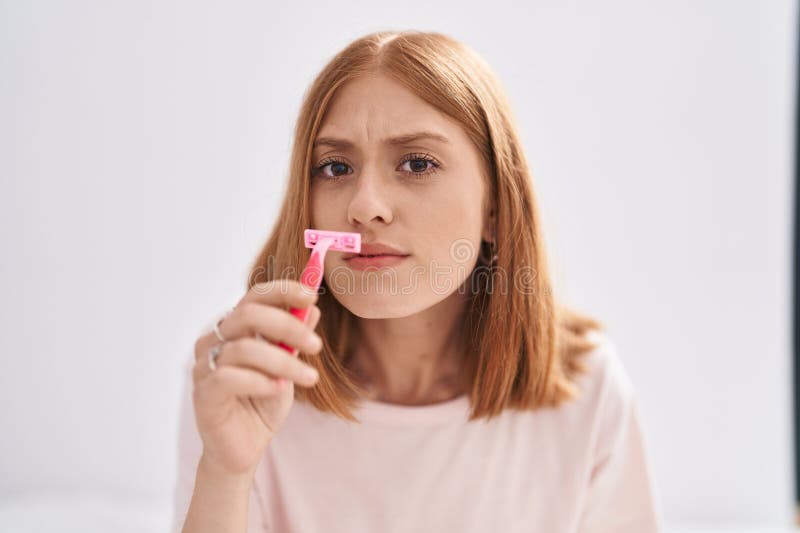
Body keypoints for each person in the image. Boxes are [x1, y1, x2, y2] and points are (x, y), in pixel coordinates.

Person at [172, 30, 663, 533]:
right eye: (335, 166)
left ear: (494, 207)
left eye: (417, 163)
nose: (364, 206)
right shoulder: (242, 371)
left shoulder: (585, 389)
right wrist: (225, 471)